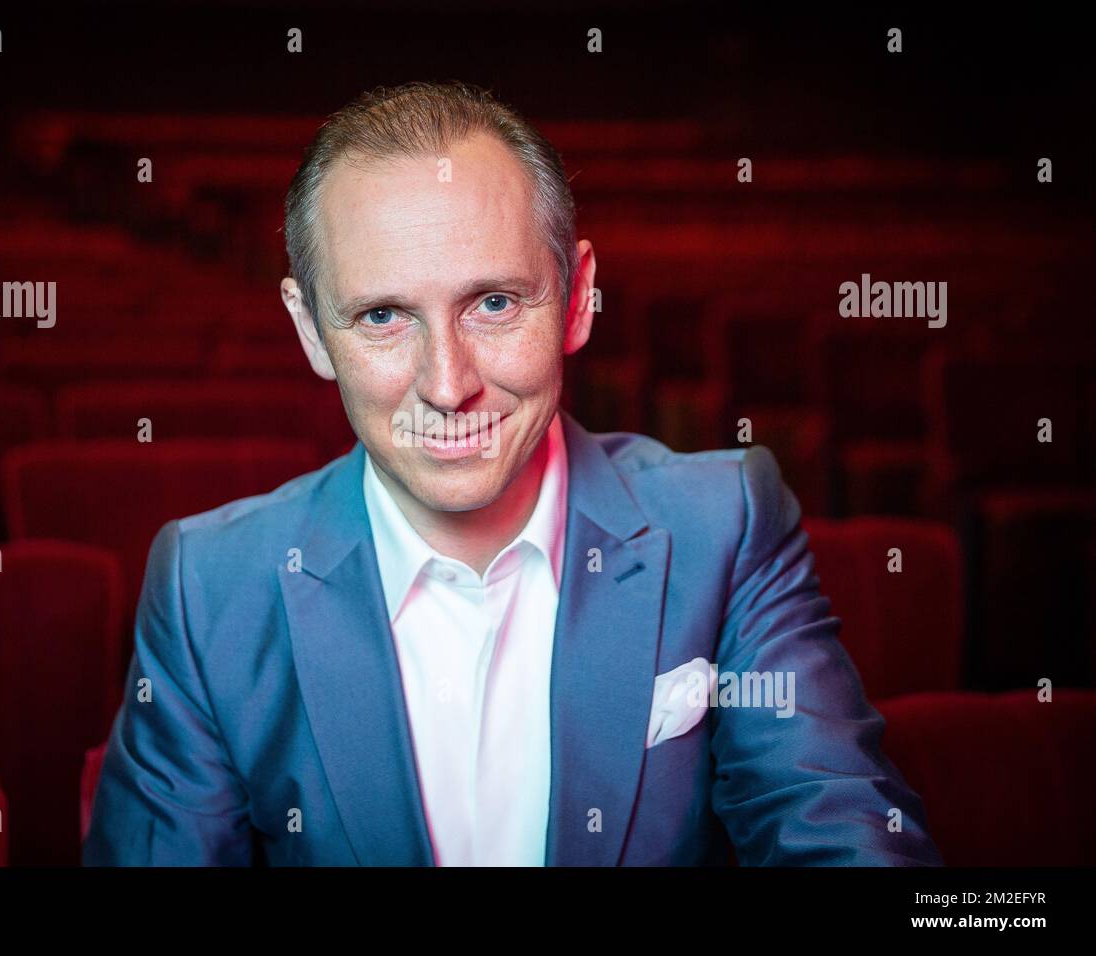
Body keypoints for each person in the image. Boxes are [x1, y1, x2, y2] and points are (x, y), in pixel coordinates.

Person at [83, 80, 941, 866]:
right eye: (383, 316)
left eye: (493, 303)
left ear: (577, 300)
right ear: (311, 333)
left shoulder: (728, 525)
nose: (448, 384)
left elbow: (836, 829)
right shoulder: (207, 588)